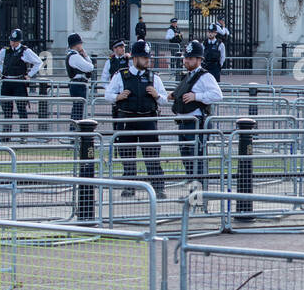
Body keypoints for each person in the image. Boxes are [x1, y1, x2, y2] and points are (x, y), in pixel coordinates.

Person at [107, 39, 168, 198]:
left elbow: (164, 99)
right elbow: (107, 95)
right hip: (127, 120)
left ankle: (158, 187)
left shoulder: (154, 77)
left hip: (147, 120)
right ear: (134, 58)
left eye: (148, 57)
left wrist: (157, 95)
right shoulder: (121, 75)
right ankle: (129, 186)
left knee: (152, 154)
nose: (147, 60)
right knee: (127, 154)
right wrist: (117, 96)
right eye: (143, 57)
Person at [170, 40, 224, 181]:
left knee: (196, 160)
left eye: (190, 58)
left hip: (196, 123)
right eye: (186, 58)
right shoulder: (188, 76)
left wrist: (196, 96)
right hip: (184, 122)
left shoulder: (205, 76)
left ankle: (199, 196)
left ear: (199, 60)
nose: (186, 61)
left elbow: (217, 95)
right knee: (187, 159)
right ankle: (193, 193)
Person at [0, 29, 41, 130]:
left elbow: (38, 62)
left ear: (19, 41)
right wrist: (2, 71)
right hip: (7, 81)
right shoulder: (5, 50)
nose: (13, 43)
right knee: (6, 109)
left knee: (21, 108)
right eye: (12, 41)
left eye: (15, 41)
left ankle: (23, 133)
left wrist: (29, 75)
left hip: (19, 82)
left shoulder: (25, 51)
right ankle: (6, 134)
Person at [65, 33, 94, 121]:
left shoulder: (74, 55)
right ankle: (75, 131)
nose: (81, 45)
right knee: (78, 110)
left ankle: (75, 130)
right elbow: (90, 67)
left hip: (78, 84)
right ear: (76, 45)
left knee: (78, 109)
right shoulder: (75, 56)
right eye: (80, 43)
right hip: (78, 84)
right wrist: (85, 56)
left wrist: (84, 55)